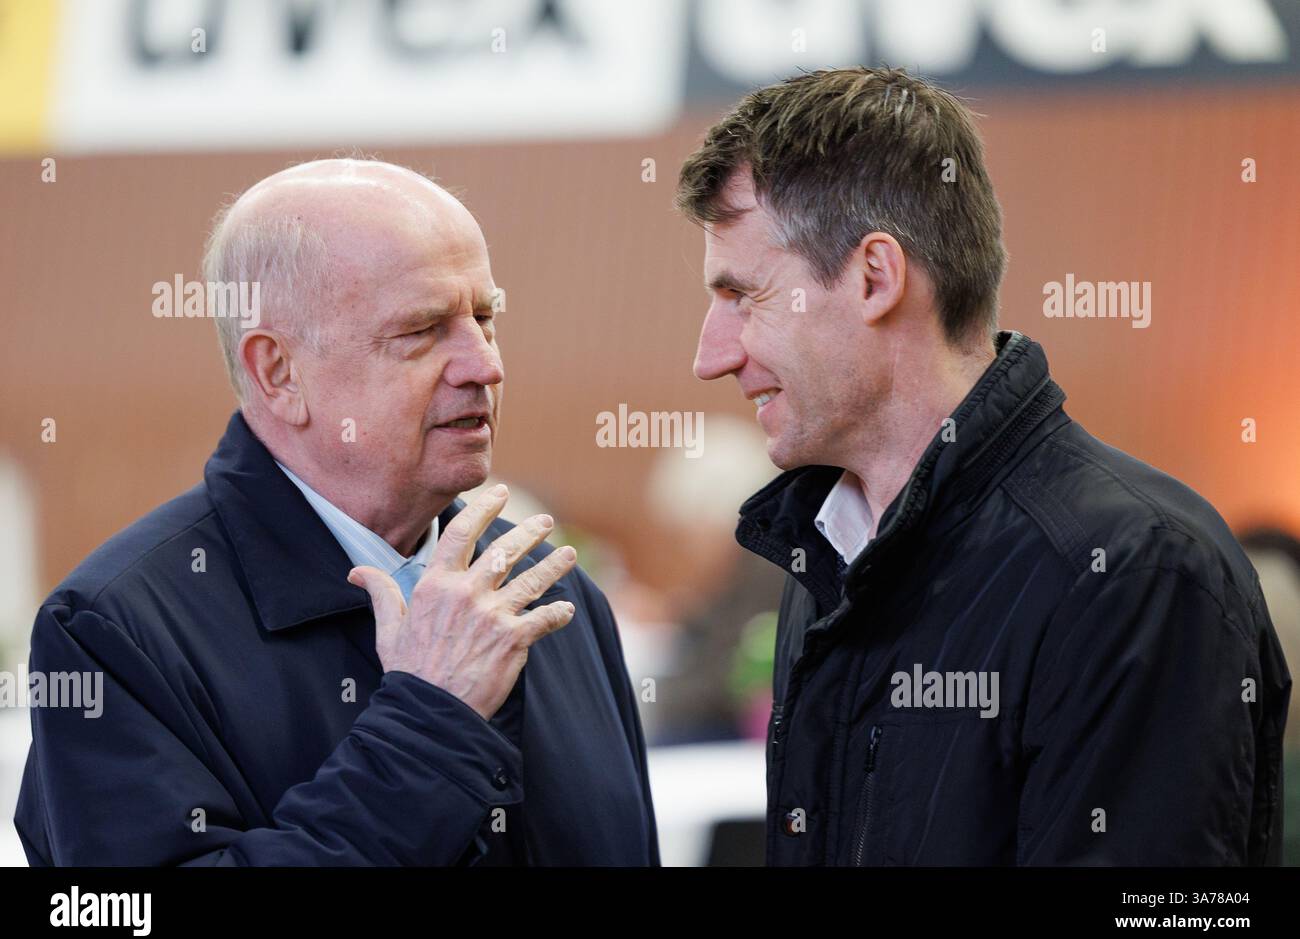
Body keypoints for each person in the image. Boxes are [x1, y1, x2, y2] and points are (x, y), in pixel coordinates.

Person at [675, 66, 1289, 865]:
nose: (708, 356)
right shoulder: (823, 556)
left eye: (742, 296)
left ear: (875, 277)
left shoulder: (1137, 575)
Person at [15, 159, 658, 866]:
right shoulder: (114, 633)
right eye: (421, 330)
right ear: (278, 373)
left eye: (484, 317)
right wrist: (429, 728)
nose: (484, 365)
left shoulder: (554, 593)